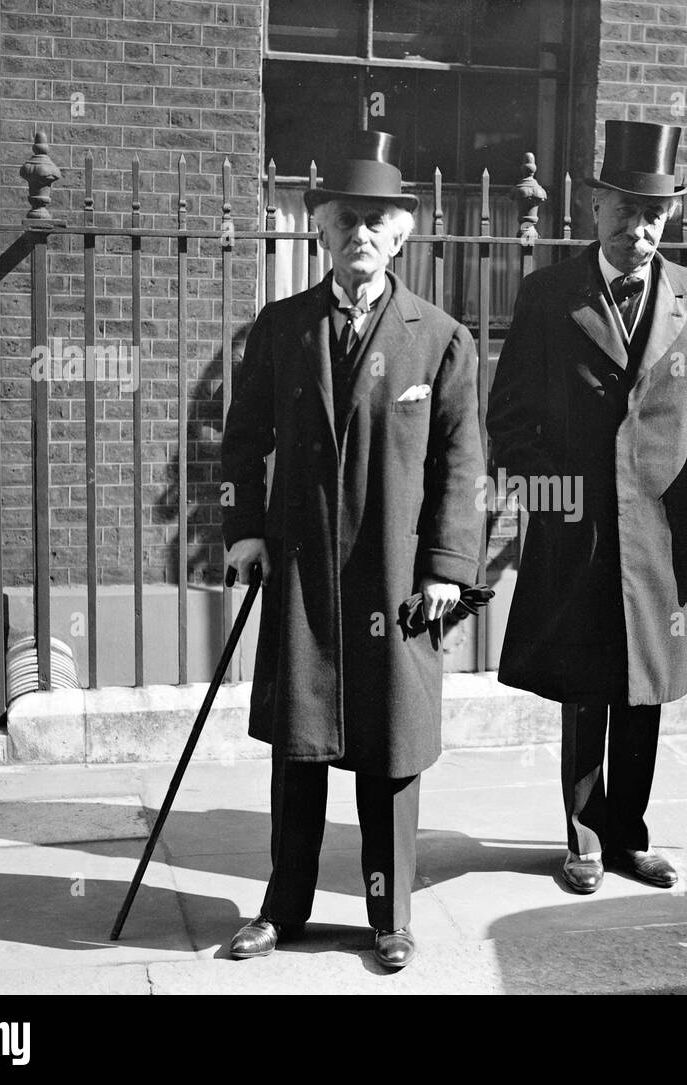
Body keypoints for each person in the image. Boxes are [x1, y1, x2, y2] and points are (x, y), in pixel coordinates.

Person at [219, 131, 484, 967]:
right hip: (302, 573)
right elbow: (240, 439)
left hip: (395, 578)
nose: (360, 235)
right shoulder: (282, 328)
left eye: (377, 220)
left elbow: (463, 464)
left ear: (401, 232)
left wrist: (447, 568)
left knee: (390, 751)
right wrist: (247, 530)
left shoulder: (440, 339)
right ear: (319, 230)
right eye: (344, 220)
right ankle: (282, 908)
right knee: (300, 749)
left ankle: (388, 915)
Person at [487, 120, 687, 894]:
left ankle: (630, 833)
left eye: (655, 213)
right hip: (581, 531)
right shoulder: (548, 295)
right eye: (625, 209)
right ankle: (584, 837)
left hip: (664, 533)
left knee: (648, 686)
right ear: (594, 208)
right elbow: (509, 418)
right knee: (586, 684)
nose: (640, 228)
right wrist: (551, 499)